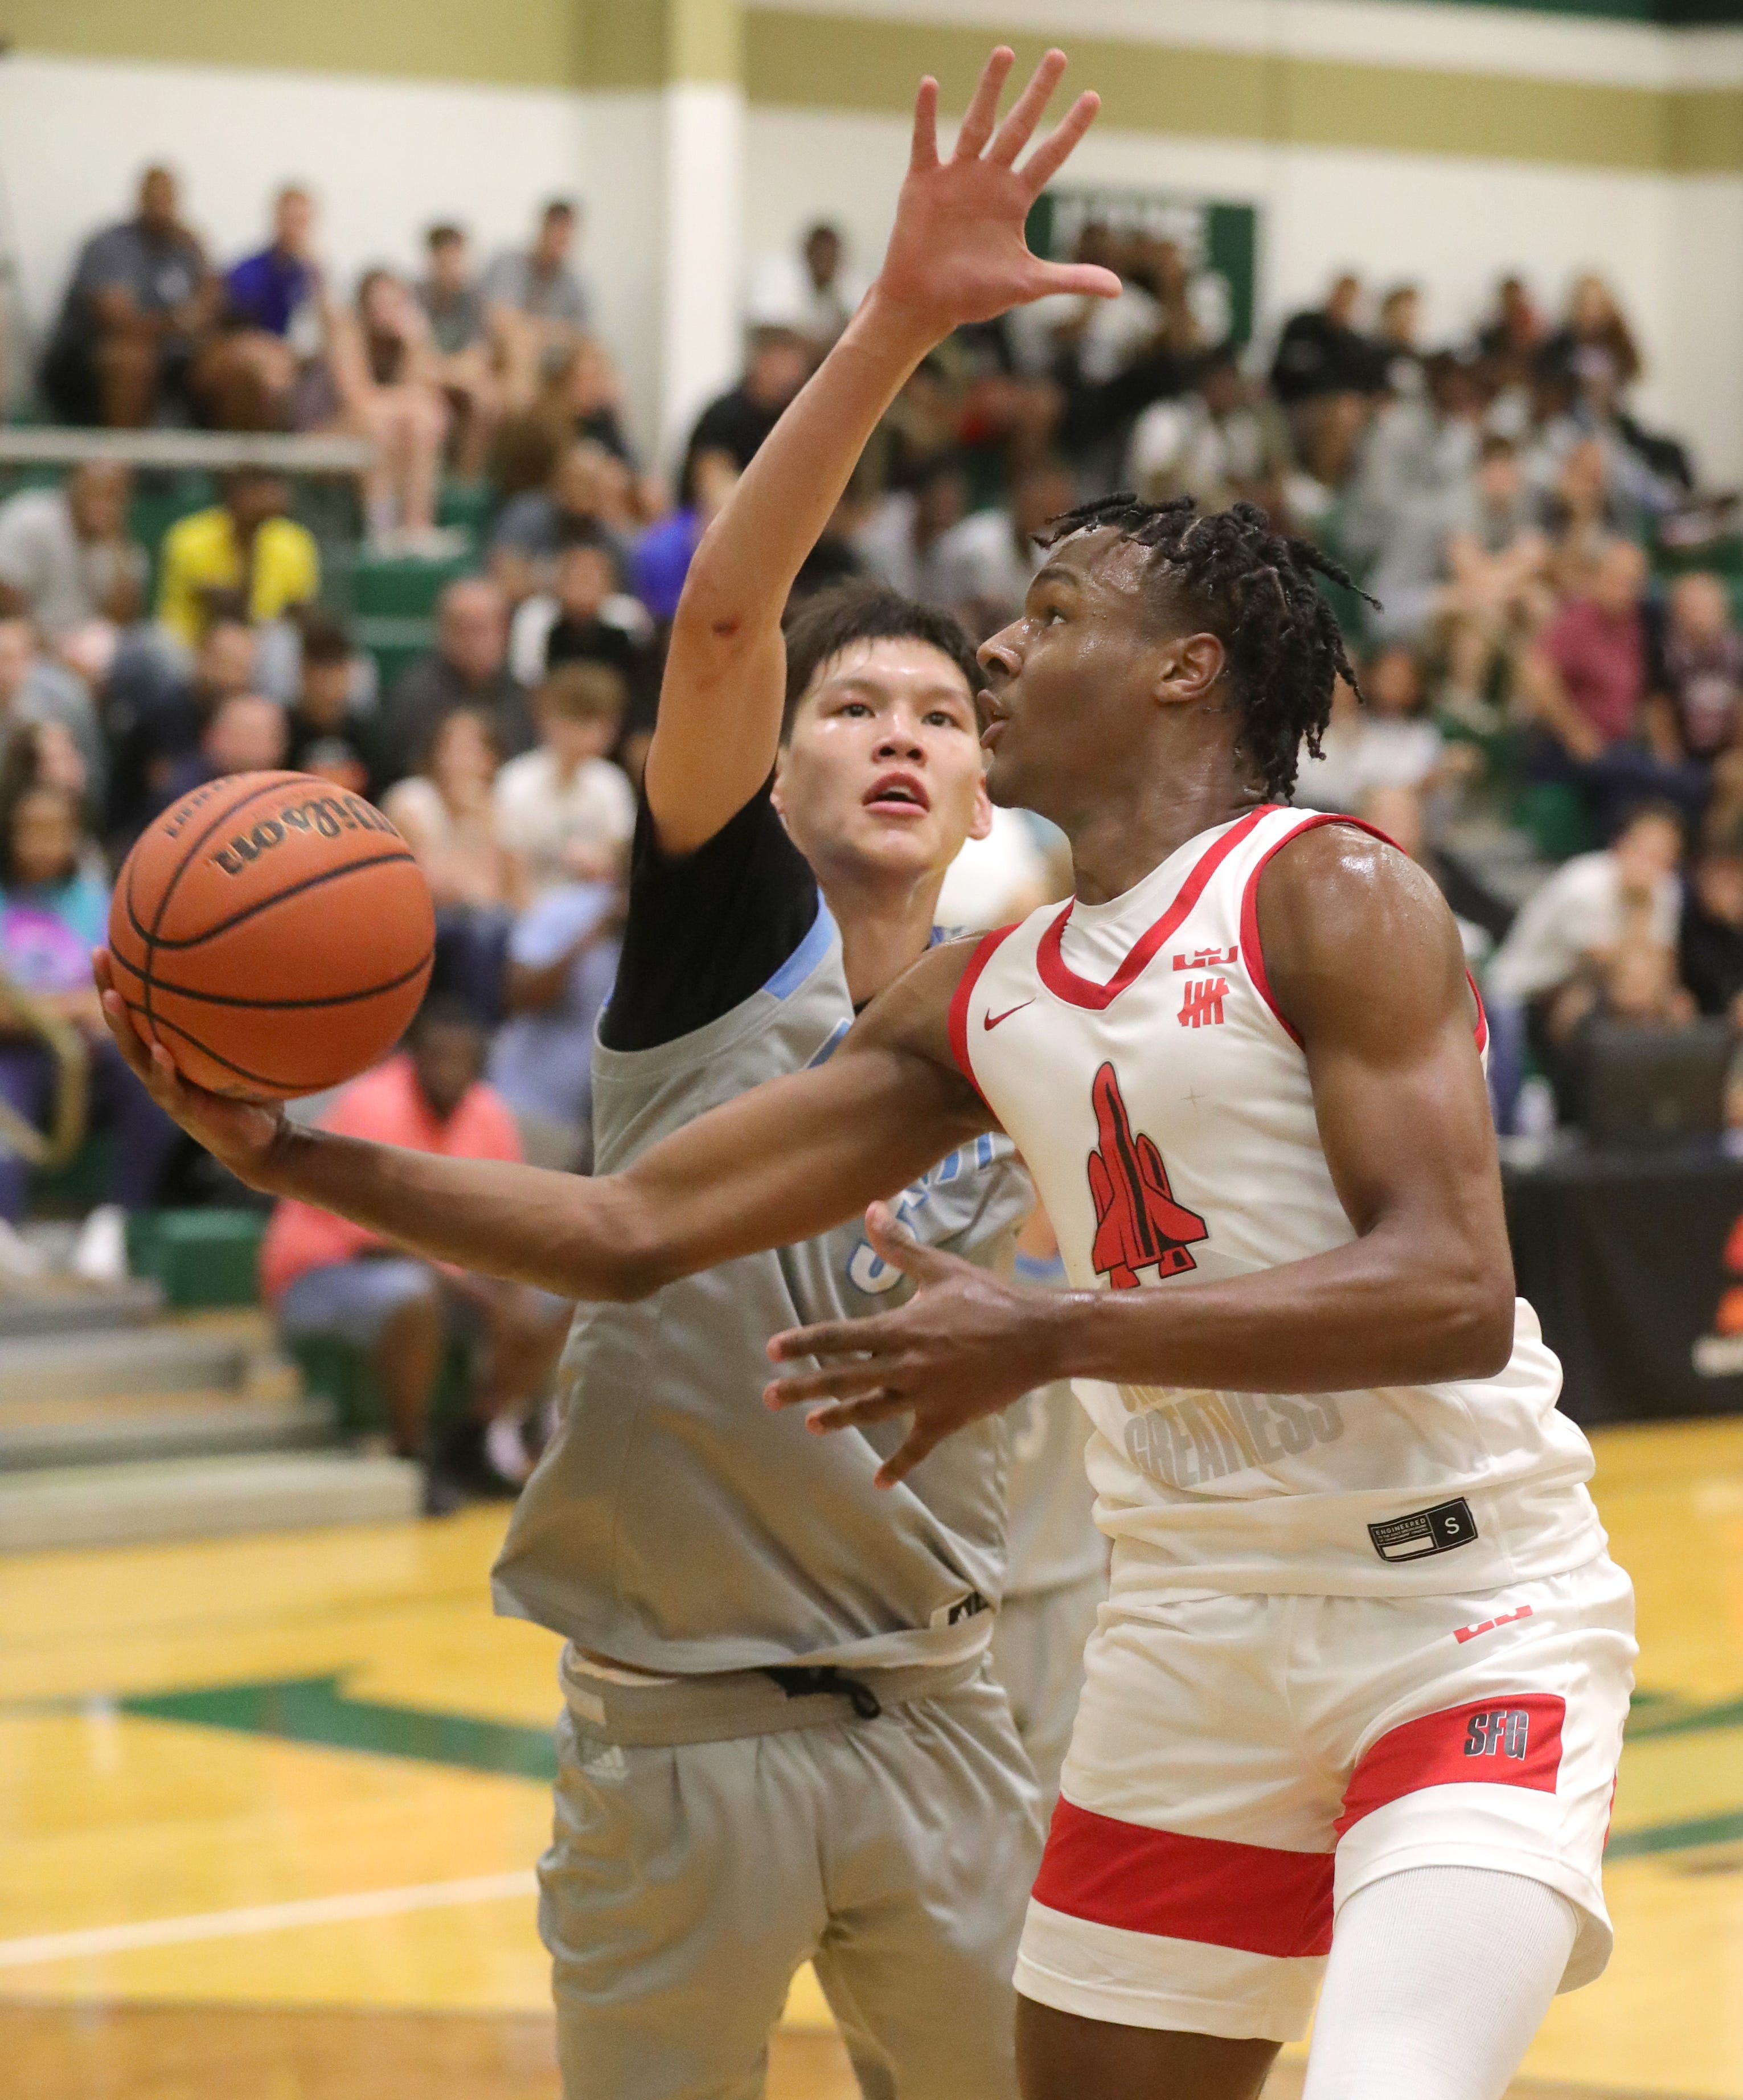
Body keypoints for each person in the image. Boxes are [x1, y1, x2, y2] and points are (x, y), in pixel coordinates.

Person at [98, 47, 1631, 2100]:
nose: (981, 668)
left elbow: (1450, 1284)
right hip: (1100, 1651)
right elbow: (630, 1226)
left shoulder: (1323, 891)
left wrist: (1050, 1333)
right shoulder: (937, 988)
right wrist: (284, 1151)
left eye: (1032, 627)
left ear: (1178, 675)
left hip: (1372, 1611)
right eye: (874, 696)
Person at [100, 51, 1119, 2100]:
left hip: (948, 1711)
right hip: (682, 1726)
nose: (898, 734)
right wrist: (897, 323)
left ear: (985, 780)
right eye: (850, 707)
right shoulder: (725, 938)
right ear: (775, 763)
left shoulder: (1032, 1002)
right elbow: (730, 609)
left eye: (940, 713)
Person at [260, 995, 571, 1498]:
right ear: (413, 1058)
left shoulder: (488, 1113)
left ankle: (480, 1434)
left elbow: (507, 1227)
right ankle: (411, 1454)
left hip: (444, 1275)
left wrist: (513, 1287)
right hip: (324, 1276)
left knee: (557, 1298)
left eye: (462, 1059)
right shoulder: (372, 1104)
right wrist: (486, 1295)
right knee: (411, 1292)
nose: (449, 1070)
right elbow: (376, 1242)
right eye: (438, 1057)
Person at [0, 756, 179, 1280]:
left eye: (58, 828)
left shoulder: (94, 896)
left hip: (85, 1055)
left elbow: (115, 991)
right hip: (14, 1054)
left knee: (154, 1083)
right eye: (33, 828)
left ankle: (115, 1223)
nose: (45, 841)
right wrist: (67, 1006)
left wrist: (50, 1006)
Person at [39, 166, 217, 428]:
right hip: (84, 363)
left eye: (168, 198)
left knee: (232, 363)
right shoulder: (109, 245)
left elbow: (210, 315)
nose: (161, 207)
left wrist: (203, 255)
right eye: (155, 197)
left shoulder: (185, 249)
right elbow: (119, 323)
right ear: (140, 198)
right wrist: (179, 324)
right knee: (131, 358)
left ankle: (245, 454)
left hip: (168, 362)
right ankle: (118, 450)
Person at [383, 707, 523, 1022]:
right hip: (422, 924)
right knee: (479, 933)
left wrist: (481, 819)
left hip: (488, 922)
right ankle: (480, 1035)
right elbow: (435, 886)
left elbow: (517, 897)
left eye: (472, 749)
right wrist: (467, 821)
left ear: (491, 759)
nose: (461, 759)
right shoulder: (412, 799)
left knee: (505, 934)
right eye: (452, 747)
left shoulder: (500, 807)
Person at [329, 268, 451, 546]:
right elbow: (356, 397)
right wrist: (404, 404)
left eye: (395, 304)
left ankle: (417, 526)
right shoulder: (348, 331)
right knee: (378, 425)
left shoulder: (409, 337)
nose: (387, 311)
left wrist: (413, 343)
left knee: (425, 421)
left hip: (391, 424)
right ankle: (381, 529)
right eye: (380, 304)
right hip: (334, 426)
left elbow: (424, 393)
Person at [493, 662, 634, 894]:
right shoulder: (516, 781)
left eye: (605, 724)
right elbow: (509, 870)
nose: (597, 734)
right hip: (535, 906)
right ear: (551, 721)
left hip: (598, 907)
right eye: (583, 722)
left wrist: (602, 861)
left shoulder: (611, 782)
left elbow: (619, 857)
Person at [379, 576, 533, 783]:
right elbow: (403, 772)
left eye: (485, 628)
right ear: (445, 631)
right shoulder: (415, 695)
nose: (475, 641)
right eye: (465, 628)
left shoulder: (522, 695)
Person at [155, 472, 319, 649]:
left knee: (281, 640)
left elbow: (301, 611)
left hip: (264, 648)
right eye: (255, 488)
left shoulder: (295, 541)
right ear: (232, 492)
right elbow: (227, 613)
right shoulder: (190, 537)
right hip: (192, 645)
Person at [0, 464, 146, 645]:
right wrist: (52, 653)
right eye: (94, 492)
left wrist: (116, 546)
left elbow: (125, 625)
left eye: (113, 496)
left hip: (89, 651)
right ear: (72, 487)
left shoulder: (125, 549)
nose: (102, 504)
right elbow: (8, 604)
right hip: (27, 646)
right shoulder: (30, 518)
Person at [482, 199, 592, 404]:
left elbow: (581, 335)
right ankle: (519, 415)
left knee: (597, 361)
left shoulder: (574, 283)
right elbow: (500, 320)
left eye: (567, 236)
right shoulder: (509, 264)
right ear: (543, 230)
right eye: (557, 233)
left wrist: (539, 331)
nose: (562, 242)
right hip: (503, 355)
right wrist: (550, 332)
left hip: (555, 360)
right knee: (521, 342)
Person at [417, 224, 502, 480]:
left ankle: (467, 482)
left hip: (457, 377)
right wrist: (445, 372)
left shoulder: (473, 299)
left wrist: (449, 372)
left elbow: (477, 356)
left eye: (458, 258)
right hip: (424, 380)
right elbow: (418, 357)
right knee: (430, 407)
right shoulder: (414, 295)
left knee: (487, 401)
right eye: (446, 259)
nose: (453, 267)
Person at [0, 616, 106, 819]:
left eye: (9, 658)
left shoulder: (64, 702)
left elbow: (92, 772)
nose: (3, 671)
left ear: (31, 659)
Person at [683, 326, 811, 473]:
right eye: (781, 362)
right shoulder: (723, 416)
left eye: (795, 364)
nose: (790, 374)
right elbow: (716, 480)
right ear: (760, 362)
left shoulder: (798, 415)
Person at [283, 615, 384, 797]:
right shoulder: (282, 732)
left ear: (349, 673)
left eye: (336, 670)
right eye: (320, 670)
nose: (328, 683)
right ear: (303, 673)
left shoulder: (369, 735)